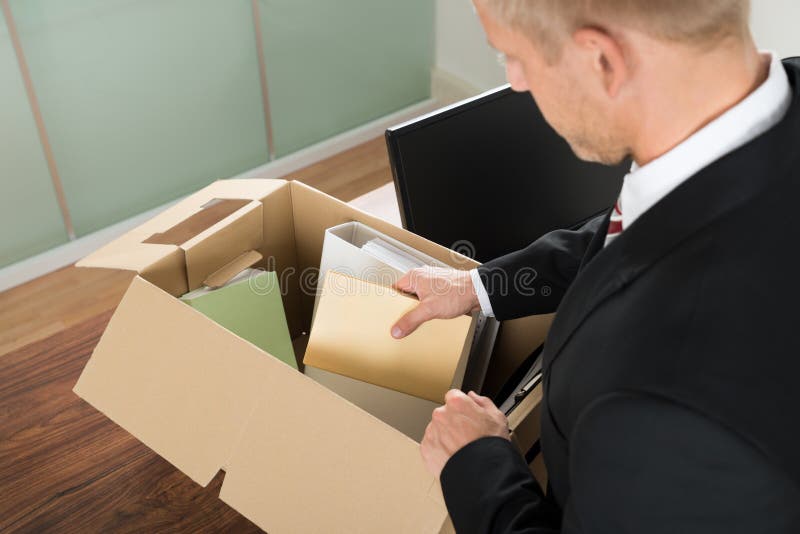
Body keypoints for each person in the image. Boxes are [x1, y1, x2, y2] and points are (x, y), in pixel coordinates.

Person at [390, 1, 800, 532]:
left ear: (601, 60)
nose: (516, 83)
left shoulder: (661, 401)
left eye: (512, 56)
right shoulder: (734, 125)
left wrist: (478, 462)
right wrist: (482, 285)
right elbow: (638, 225)